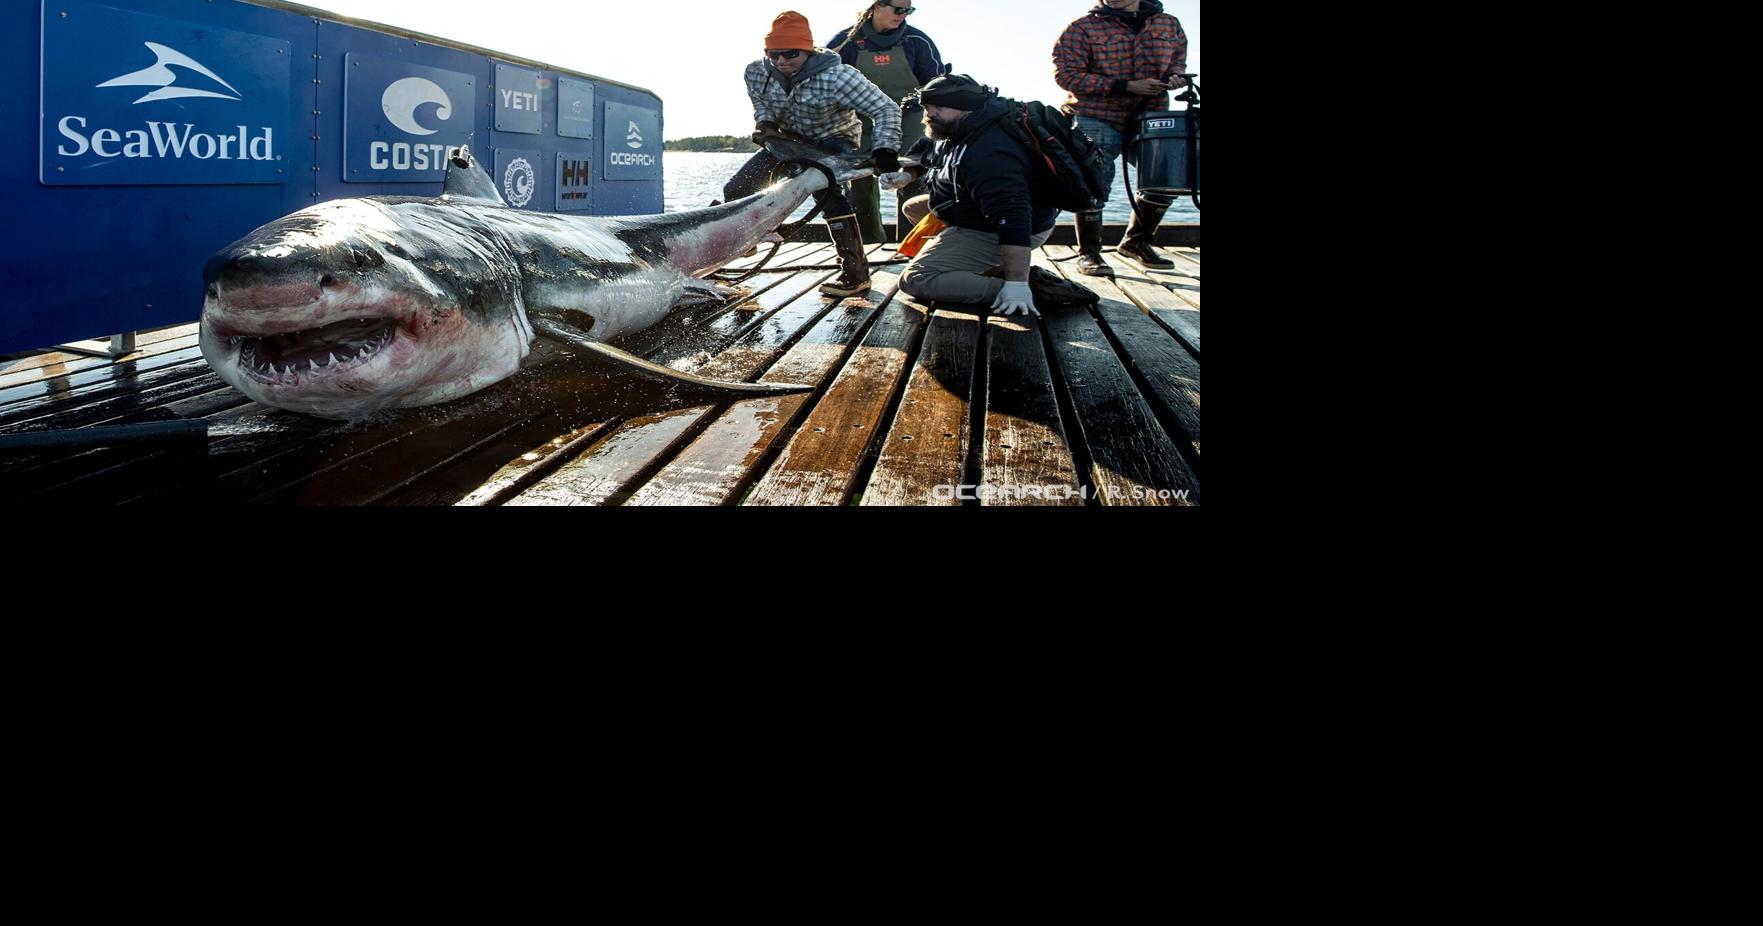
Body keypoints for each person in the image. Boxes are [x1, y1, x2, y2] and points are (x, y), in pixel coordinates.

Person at [727, 11, 903, 297]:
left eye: (790, 53)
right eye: (773, 54)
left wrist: (885, 149)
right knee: (737, 187)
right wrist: (765, 122)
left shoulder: (839, 77)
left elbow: (885, 108)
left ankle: (855, 273)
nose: (781, 61)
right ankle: (739, 245)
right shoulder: (755, 71)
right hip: (786, 139)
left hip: (833, 139)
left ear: (807, 50)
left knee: (828, 194)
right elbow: (761, 104)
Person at [888, 75, 1072, 316]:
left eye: (938, 107)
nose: (929, 114)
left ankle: (1028, 289)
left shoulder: (989, 151)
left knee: (916, 278)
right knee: (914, 207)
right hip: (972, 211)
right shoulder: (956, 127)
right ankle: (972, 263)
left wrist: (1017, 284)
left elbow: (1013, 217)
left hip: (1011, 227)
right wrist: (907, 175)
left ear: (966, 106)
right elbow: (927, 151)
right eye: (926, 107)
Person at [1052, 0, 1188, 276]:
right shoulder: (1081, 28)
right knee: (1093, 182)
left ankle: (1136, 242)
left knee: (1167, 178)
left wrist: (1176, 78)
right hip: (1095, 115)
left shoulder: (1169, 24)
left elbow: (1178, 64)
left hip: (1151, 116)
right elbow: (1065, 76)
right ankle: (1089, 254)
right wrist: (1124, 86)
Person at [826, 2, 945, 244]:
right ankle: (868, 245)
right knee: (860, 185)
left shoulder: (917, 41)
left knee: (914, 178)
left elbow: (937, 84)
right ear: (877, 6)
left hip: (911, 119)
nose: (903, 15)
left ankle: (911, 245)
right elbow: (826, 82)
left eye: (908, 10)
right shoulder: (845, 41)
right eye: (898, 9)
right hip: (860, 121)